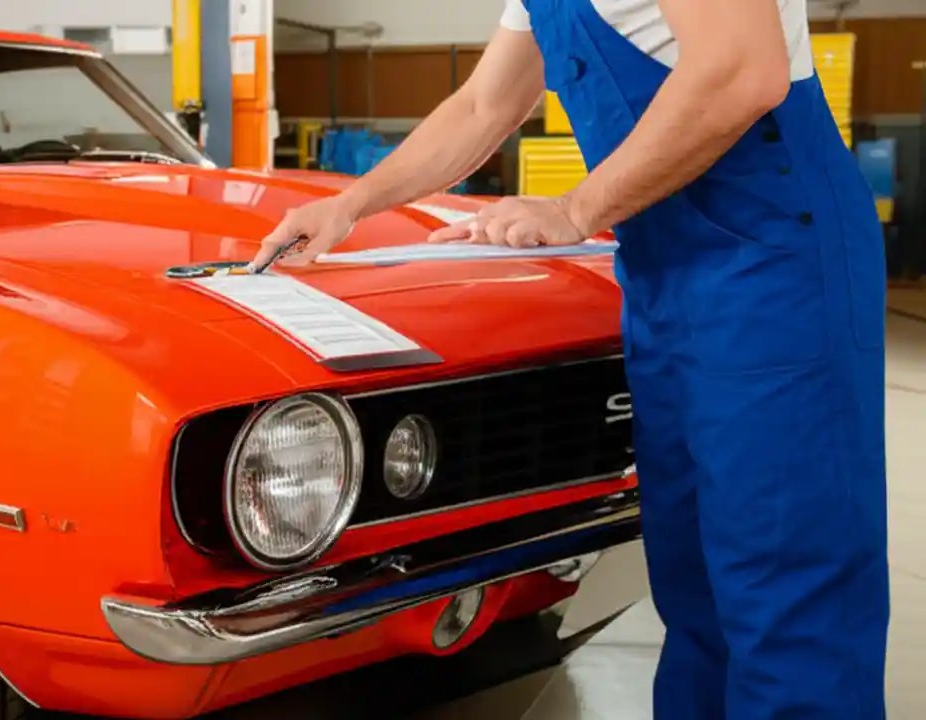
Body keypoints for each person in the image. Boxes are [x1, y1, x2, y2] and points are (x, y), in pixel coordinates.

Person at [254, 1, 889, 718]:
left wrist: (577, 208)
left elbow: (744, 70)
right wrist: (351, 205)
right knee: (696, 585)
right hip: (665, 277)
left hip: (775, 269)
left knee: (786, 586)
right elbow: (483, 104)